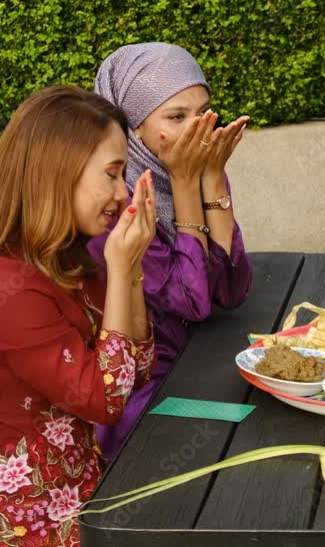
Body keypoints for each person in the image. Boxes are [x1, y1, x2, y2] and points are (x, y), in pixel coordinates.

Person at [0, 86, 157, 546]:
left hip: (75, 494)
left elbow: (135, 371)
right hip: (17, 522)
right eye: (112, 174)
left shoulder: (64, 257)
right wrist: (122, 271)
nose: (122, 194)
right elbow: (104, 400)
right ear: (58, 171)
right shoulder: (3, 286)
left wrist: (131, 271)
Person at [91, 42, 254, 459]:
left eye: (202, 114)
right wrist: (185, 187)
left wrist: (213, 179)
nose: (195, 130)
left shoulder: (192, 169)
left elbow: (231, 291)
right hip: (142, 397)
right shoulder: (114, 202)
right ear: (131, 127)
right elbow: (193, 301)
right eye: (177, 117)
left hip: (197, 366)